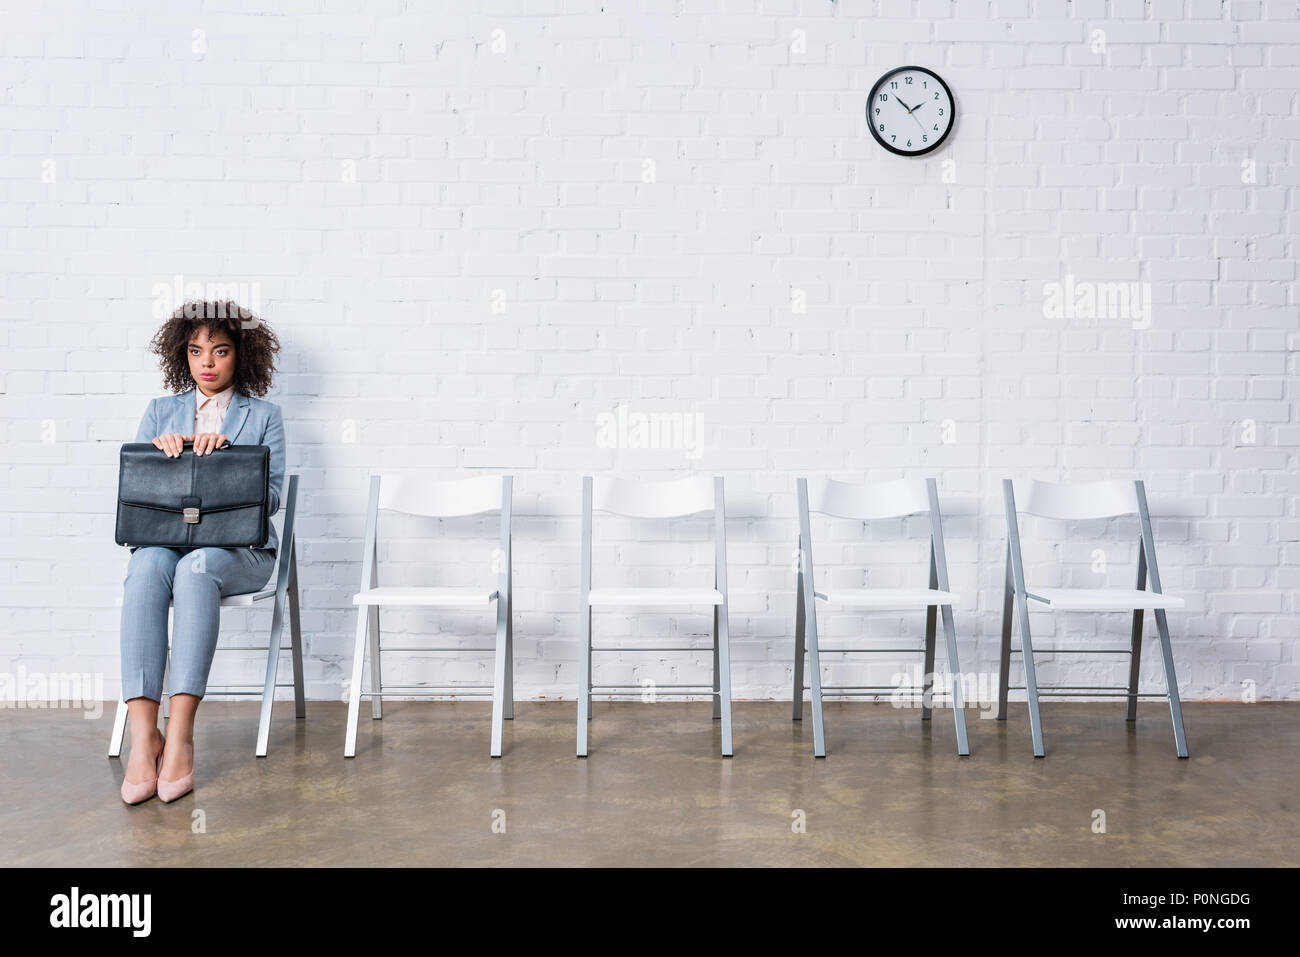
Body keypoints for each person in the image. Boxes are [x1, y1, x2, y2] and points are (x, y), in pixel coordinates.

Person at [118, 300, 285, 805]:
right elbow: (141, 493)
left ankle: (182, 733)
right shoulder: (159, 412)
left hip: (239, 552)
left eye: (219, 351)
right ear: (182, 356)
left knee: (196, 567)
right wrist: (168, 456)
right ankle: (144, 735)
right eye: (195, 351)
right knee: (147, 563)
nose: (206, 362)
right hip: (167, 543)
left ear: (241, 356)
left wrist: (227, 460)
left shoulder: (264, 416)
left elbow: (272, 498)